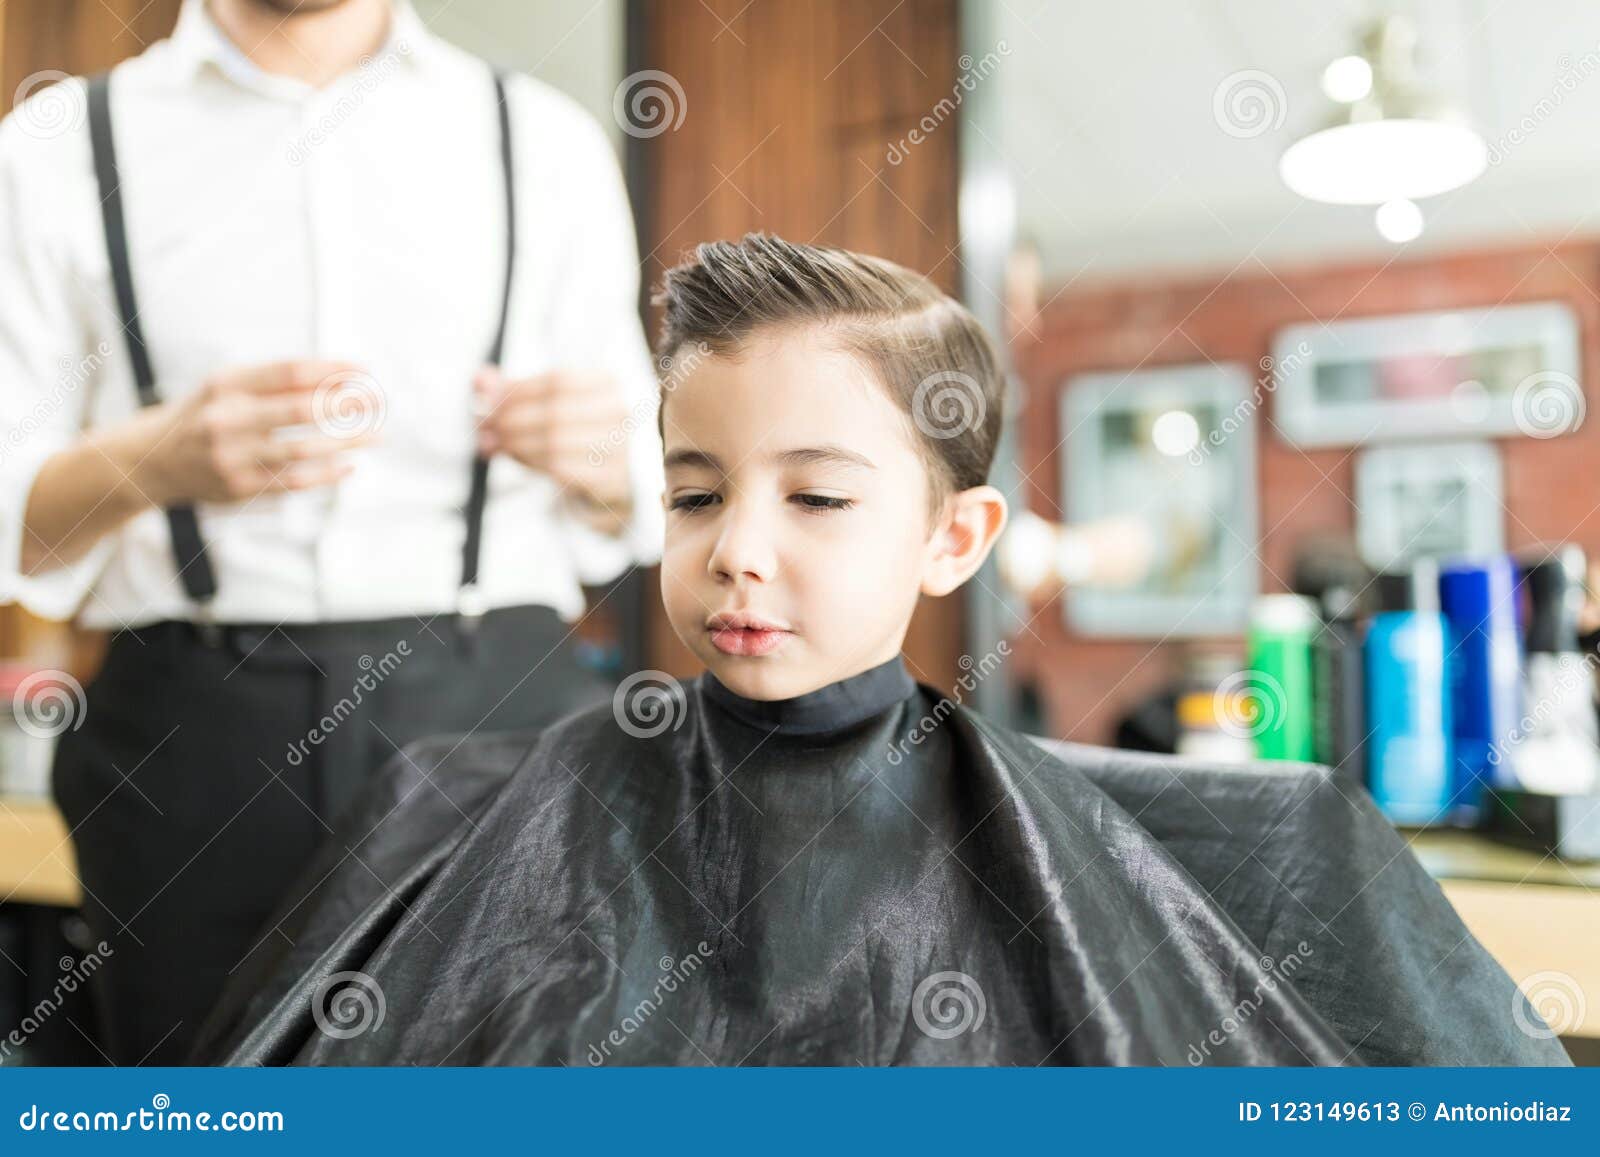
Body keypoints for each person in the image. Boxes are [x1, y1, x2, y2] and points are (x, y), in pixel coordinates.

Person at [197, 235, 1568, 1066]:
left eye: (817, 497)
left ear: (955, 536)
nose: (737, 547)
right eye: (694, 493)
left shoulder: (1078, 845)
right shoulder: (464, 805)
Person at [0, 0, 662, 1064]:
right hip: (191, 744)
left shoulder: (539, 137)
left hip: (503, 717)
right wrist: (152, 459)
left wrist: (607, 457)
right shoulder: (55, 148)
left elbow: (642, 487)